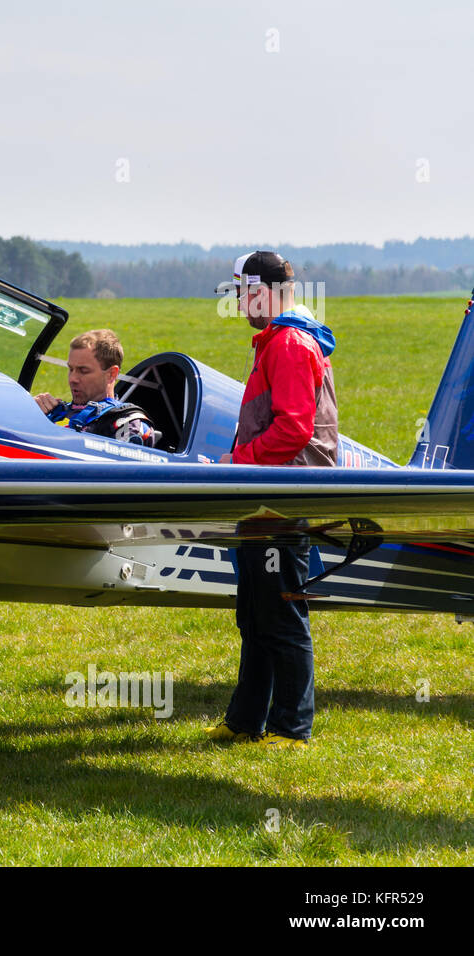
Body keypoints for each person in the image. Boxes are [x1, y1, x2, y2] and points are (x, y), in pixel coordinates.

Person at [209, 251, 338, 747]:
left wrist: (238, 462)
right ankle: (244, 721)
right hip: (267, 492)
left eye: (242, 292)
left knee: (281, 613)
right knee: (256, 610)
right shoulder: (279, 342)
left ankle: (291, 728)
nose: (240, 303)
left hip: (283, 495)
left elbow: (294, 429)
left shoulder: (287, 345)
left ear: (261, 291)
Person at [34, 329, 156, 445]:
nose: (72, 379)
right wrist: (29, 412)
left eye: (83, 371)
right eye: (71, 369)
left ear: (111, 374)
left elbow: (123, 464)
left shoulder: (129, 424)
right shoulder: (53, 411)